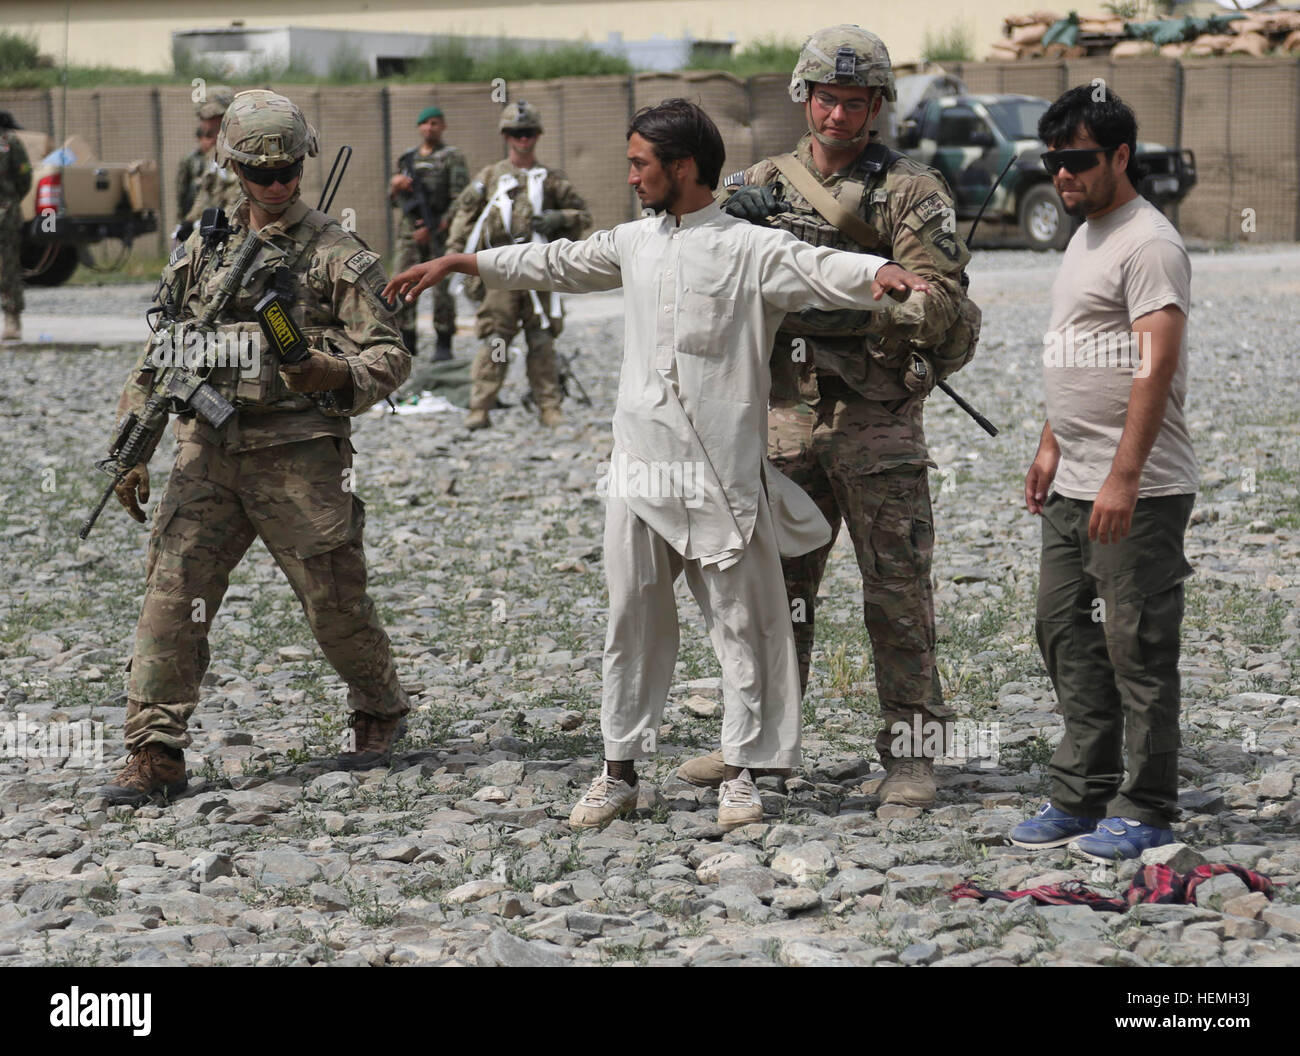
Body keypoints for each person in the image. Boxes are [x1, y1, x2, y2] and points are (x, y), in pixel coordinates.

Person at [386, 99, 929, 831]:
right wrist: (467, 259)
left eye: (641, 162)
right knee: (631, 621)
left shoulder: (747, 247)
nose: (632, 174)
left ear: (682, 167)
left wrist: (882, 274)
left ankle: (742, 772)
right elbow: (558, 262)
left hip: (722, 473)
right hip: (642, 470)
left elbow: (819, 266)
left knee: (744, 626)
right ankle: (619, 772)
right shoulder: (635, 243)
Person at [678, 25, 980, 808]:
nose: (838, 115)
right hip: (782, 415)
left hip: (875, 417)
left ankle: (912, 754)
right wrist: (721, 228)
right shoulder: (756, 184)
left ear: (876, 105)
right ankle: (758, 747)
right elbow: (693, 278)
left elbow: (939, 301)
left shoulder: (911, 191)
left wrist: (829, 299)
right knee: (771, 593)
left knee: (897, 591)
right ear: (802, 97)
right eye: (825, 98)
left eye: (854, 101)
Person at [101, 90, 411, 806]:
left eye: (287, 173)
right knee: (173, 597)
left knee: (333, 603)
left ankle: (380, 706)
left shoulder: (336, 253)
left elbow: (390, 359)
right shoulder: (203, 245)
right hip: (205, 450)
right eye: (259, 174)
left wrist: (325, 370)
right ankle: (155, 751)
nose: (276, 186)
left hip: (298, 454)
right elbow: (163, 349)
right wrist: (131, 444)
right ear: (231, 169)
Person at [1010, 85, 1195, 861]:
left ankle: (1146, 805)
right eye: (1054, 161)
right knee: (1062, 629)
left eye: (1078, 160)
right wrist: (1052, 442)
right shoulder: (1083, 235)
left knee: (1136, 647)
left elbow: (1155, 366)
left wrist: (1124, 477)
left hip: (1138, 490)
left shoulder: (1149, 243)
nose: (1062, 175)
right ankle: (1083, 792)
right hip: (1073, 479)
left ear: (1121, 155)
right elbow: (1081, 350)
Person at [444, 101, 591, 429]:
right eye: (515, 133)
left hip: (539, 270)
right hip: (499, 271)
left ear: (537, 136)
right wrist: (454, 263)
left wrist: (559, 218)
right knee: (495, 340)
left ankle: (549, 407)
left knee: (541, 340)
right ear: (506, 136)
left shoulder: (551, 179)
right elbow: (464, 219)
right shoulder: (490, 177)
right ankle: (480, 407)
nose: (521, 139)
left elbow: (582, 216)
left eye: (527, 133)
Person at [389, 105, 469, 360]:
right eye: (425, 123)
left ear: (443, 126)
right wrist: (395, 186)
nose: (429, 128)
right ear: (419, 127)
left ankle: (443, 343)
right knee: (404, 282)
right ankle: (407, 339)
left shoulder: (451, 157)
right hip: (409, 235)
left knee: (442, 286)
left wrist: (437, 226)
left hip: (439, 233)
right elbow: (394, 202)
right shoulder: (407, 158)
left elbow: (460, 198)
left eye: (435, 123)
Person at [174, 85, 234, 244]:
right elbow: (206, 192)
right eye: (202, 118)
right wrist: (189, 221)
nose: (205, 124)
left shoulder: (241, 152)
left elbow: (239, 198)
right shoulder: (214, 153)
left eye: (209, 116)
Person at [0, 110, 32, 343]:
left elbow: (23, 178)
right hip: (6, 211)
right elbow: (25, 179)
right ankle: (12, 318)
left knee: (8, 266)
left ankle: (11, 318)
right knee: (8, 266)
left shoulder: (9, 144)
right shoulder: (11, 143)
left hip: (5, 213)